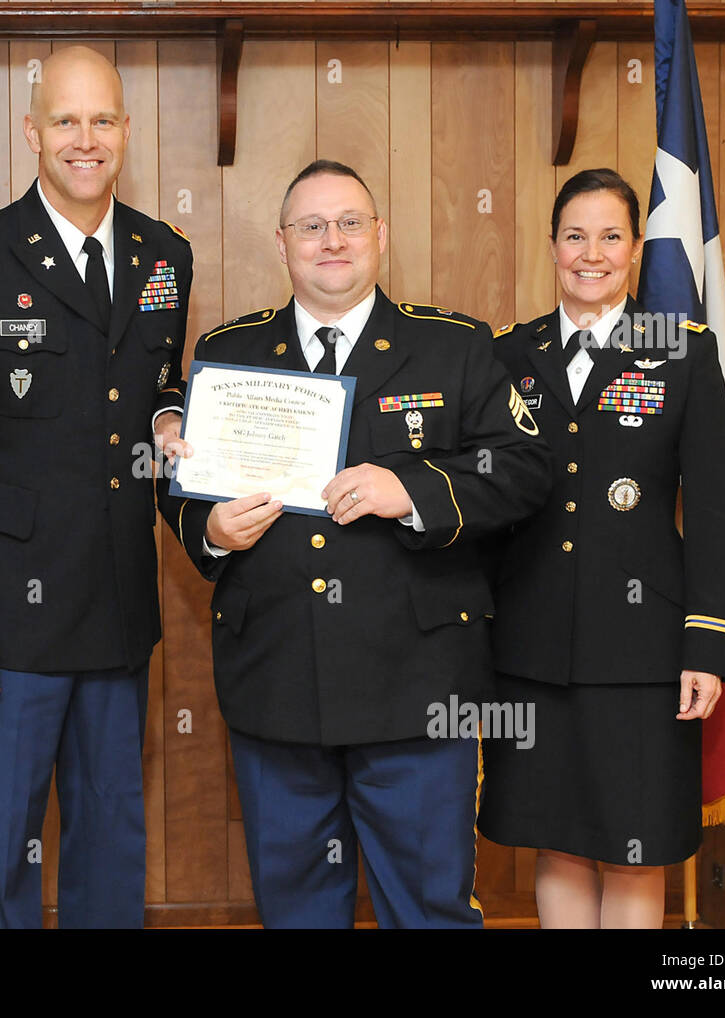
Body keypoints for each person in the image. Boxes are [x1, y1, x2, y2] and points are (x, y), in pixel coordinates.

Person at [158, 160, 552, 928]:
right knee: (296, 909)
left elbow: (526, 466)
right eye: (311, 226)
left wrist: (413, 491)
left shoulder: (454, 345)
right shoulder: (231, 353)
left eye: (348, 223)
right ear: (282, 244)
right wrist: (206, 529)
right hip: (276, 684)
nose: (330, 241)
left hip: (418, 691)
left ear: (380, 236)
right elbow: (179, 483)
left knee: (431, 909)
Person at [0, 46, 192, 928]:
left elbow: (154, 384)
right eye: (66, 120)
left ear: (126, 133)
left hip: (116, 608)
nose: (85, 139)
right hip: (4, 628)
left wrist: (172, 417)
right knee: (0, 845)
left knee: (112, 840)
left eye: (103, 120)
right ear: (32, 133)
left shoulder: (162, 253)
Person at [477, 168, 725, 929]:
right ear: (552, 246)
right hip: (530, 642)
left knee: (634, 846)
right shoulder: (506, 355)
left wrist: (707, 645)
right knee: (556, 841)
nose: (590, 254)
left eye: (610, 236)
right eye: (574, 235)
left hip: (643, 653)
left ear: (633, 251)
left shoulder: (683, 353)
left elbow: (717, 512)